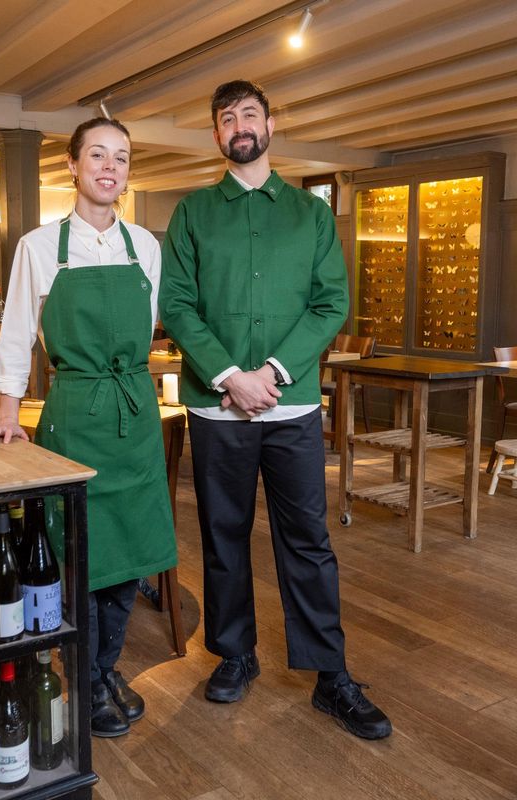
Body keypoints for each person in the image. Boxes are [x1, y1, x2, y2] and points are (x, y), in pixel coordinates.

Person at [158, 80, 391, 740]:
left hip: (289, 409)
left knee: (308, 544)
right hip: (216, 408)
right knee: (223, 539)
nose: (239, 125)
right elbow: (177, 305)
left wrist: (274, 374)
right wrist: (231, 375)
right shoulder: (194, 212)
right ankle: (234, 656)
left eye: (249, 114)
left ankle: (331, 676)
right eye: (226, 117)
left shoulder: (311, 215)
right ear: (215, 135)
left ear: (270, 124)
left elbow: (330, 304)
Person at [0, 117, 177, 738]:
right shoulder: (39, 247)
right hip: (75, 411)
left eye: (120, 157)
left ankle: (105, 669)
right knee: (80, 557)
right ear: (72, 165)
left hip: (135, 418)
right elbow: (16, 336)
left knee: (130, 558)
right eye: (97, 155)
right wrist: (10, 417)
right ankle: (84, 680)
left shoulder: (146, 245)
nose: (109, 167)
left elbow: (147, 328)